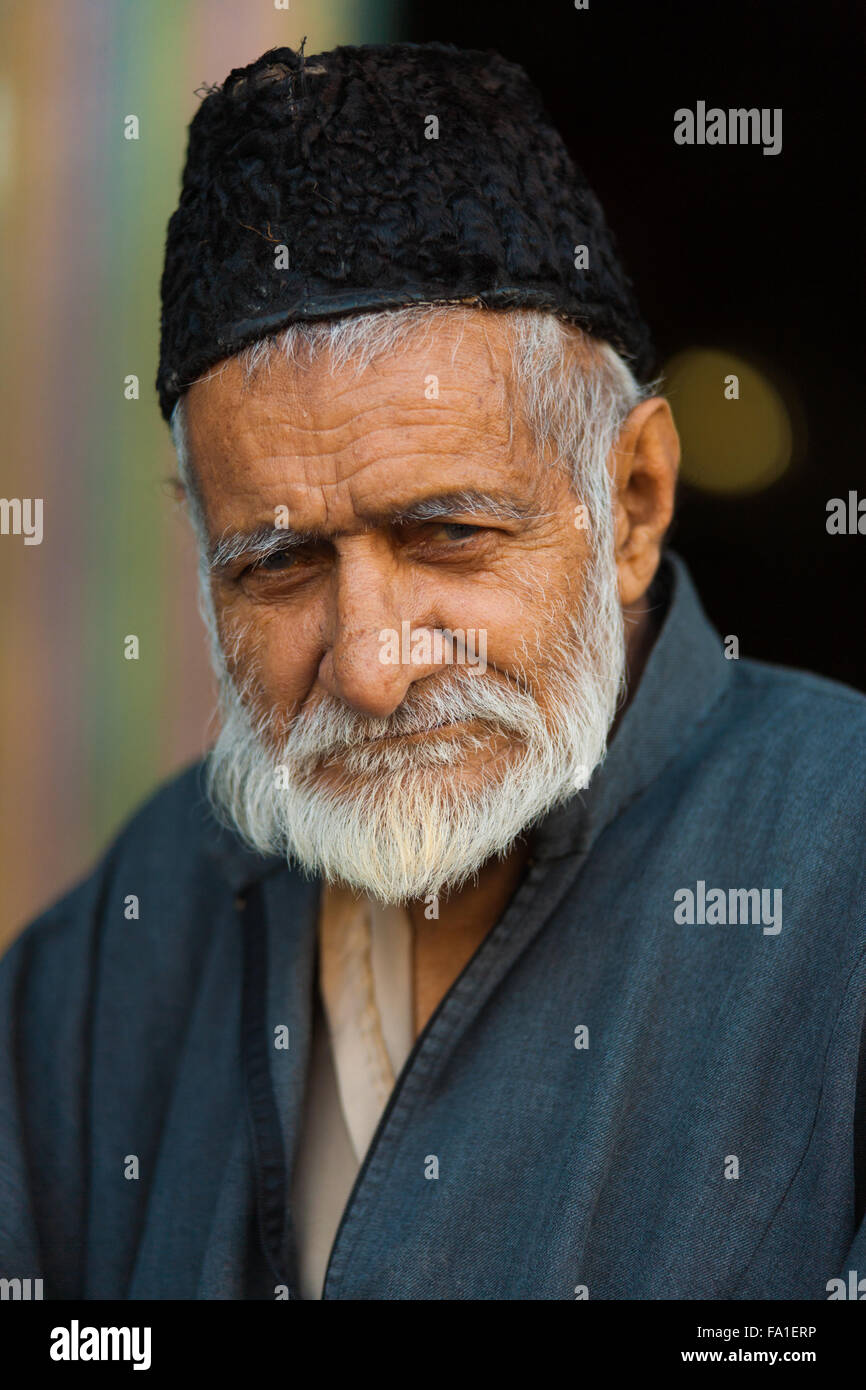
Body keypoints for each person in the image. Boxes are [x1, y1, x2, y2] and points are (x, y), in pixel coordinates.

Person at [1, 40, 864, 1301]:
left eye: (447, 534)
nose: (369, 665)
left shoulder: (838, 862)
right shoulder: (127, 939)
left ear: (630, 502)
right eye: (279, 565)